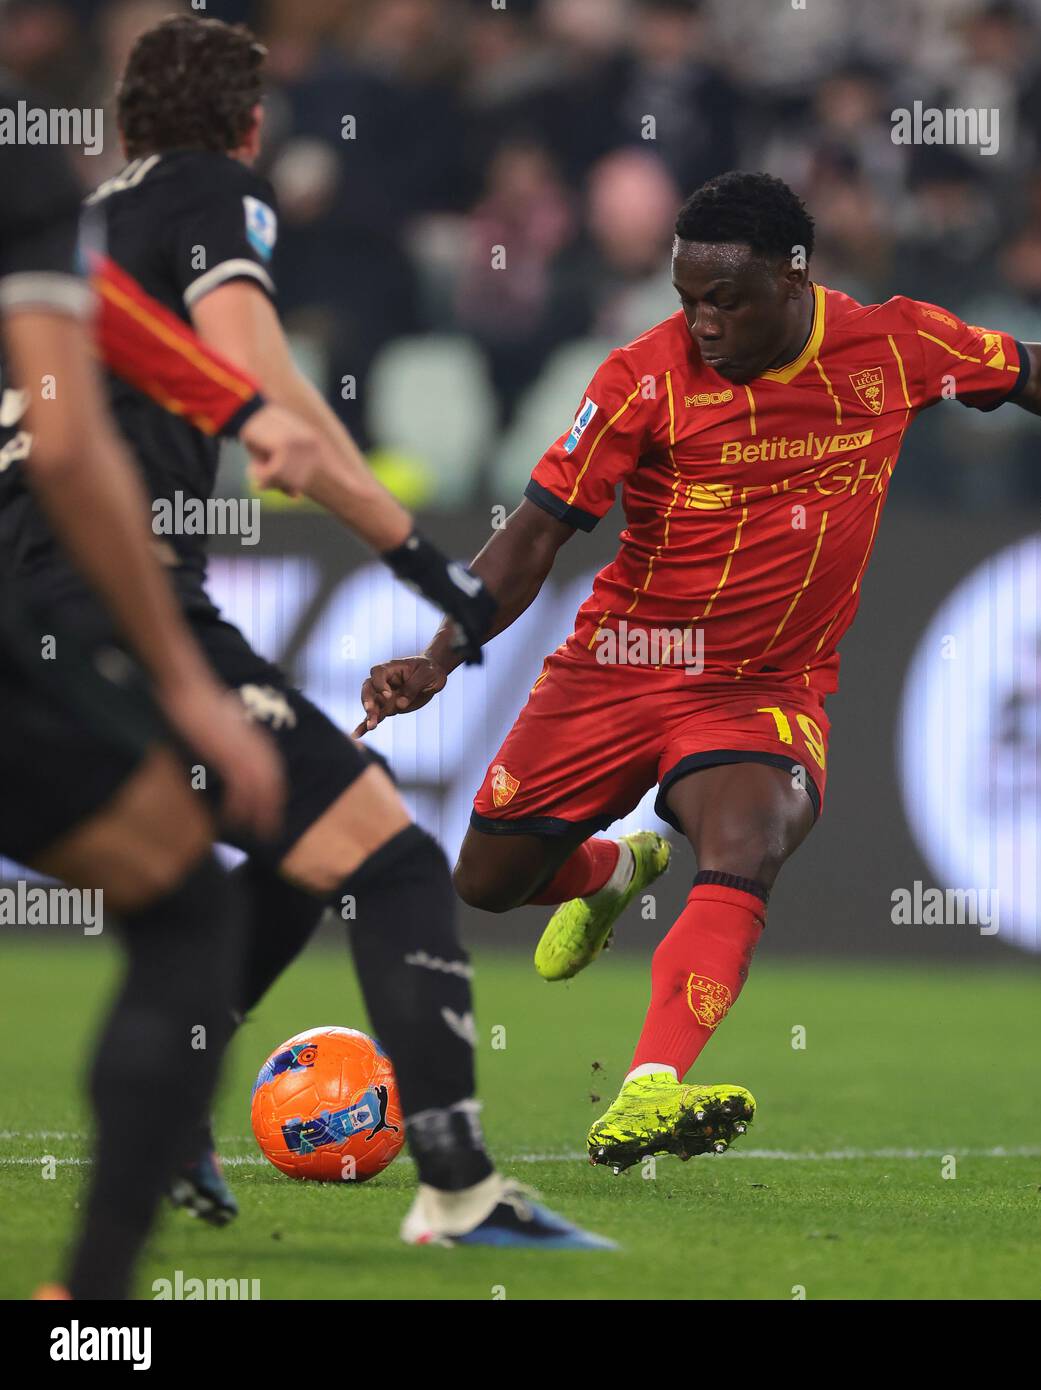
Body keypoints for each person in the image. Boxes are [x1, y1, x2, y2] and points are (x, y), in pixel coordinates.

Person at [358, 170, 1041, 1172]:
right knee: (491, 881)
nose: (703, 323)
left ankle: (645, 1091)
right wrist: (440, 656)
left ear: (794, 277)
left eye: (726, 298)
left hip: (764, 684)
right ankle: (617, 867)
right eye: (687, 299)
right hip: (621, 663)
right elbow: (534, 536)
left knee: (748, 832)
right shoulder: (640, 376)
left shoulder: (890, 344)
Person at [19, 13, 609, 1250]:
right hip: (105, 595)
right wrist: (415, 555)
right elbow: (272, 391)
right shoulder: (214, 194)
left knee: (257, 861)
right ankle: (456, 1187)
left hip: (24, 607)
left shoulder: (74, 218)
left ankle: (164, 1145)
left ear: (122, 121)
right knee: (389, 854)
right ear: (249, 126)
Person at [0, 78, 286, 1298]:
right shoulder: (22, 169)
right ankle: (90, 1311)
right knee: (183, 904)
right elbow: (64, 442)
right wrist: (184, 676)